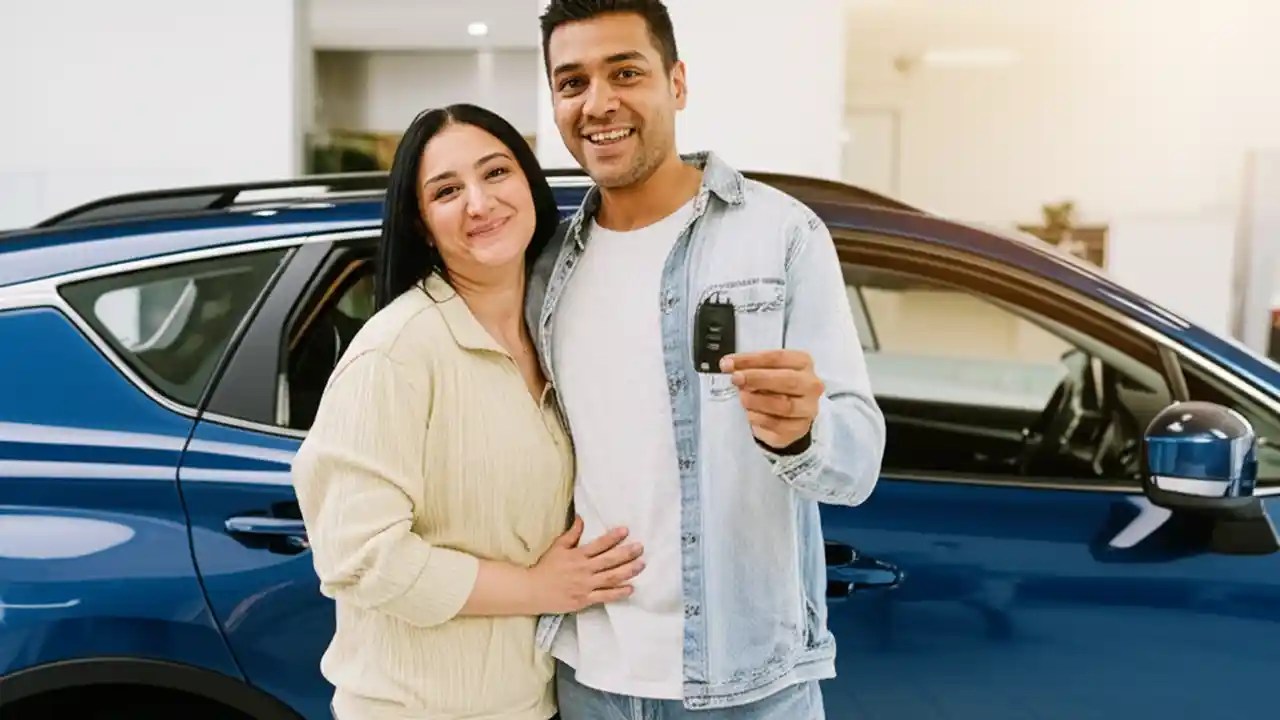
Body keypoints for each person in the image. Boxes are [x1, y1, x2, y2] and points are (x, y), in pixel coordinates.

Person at [527, 2, 887, 719]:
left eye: (624, 72)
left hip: (751, 684)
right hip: (589, 677)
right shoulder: (543, 266)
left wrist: (801, 431)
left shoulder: (779, 235)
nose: (598, 103)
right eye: (572, 83)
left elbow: (858, 463)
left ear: (677, 83)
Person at [291, 103, 646, 720]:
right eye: (448, 190)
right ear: (424, 224)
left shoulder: (554, 339)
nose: (479, 203)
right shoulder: (397, 351)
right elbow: (361, 556)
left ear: (530, 186)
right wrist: (537, 588)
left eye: (496, 173)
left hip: (526, 704)